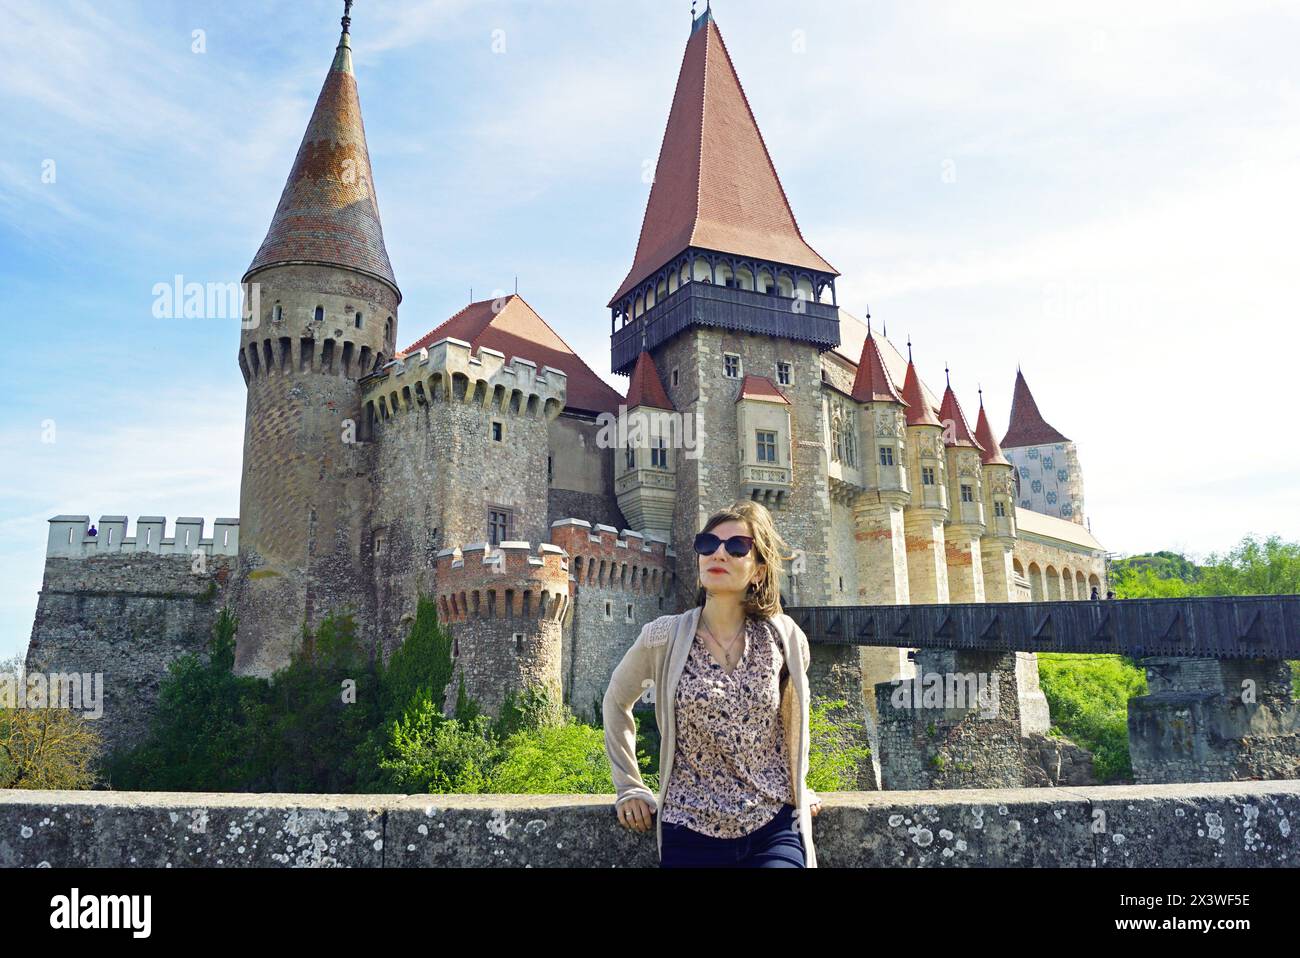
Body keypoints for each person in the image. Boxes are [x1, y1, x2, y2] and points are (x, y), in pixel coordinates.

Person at [604, 500, 822, 868]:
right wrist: (629, 786)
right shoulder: (663, 637)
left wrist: (799, 784)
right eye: (708, 544)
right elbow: (615, 701)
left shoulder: (785, 638)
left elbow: (792, 718)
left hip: (771, 826)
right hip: (690, 830)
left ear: (759, 570)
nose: (718, 552)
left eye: (737, 547)